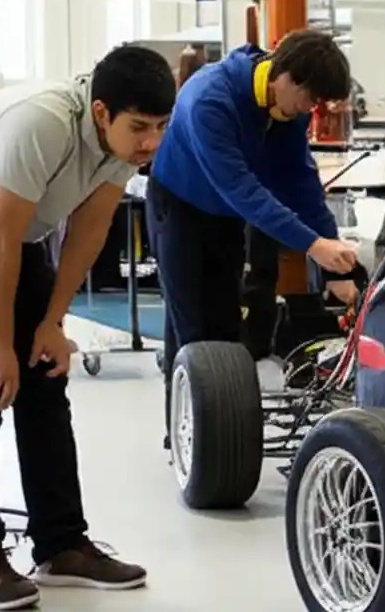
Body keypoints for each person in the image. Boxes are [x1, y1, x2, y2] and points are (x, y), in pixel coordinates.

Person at [0, 44, 175, 609]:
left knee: (45, 379)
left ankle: (60, 545)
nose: (150, 141)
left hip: (17, 233)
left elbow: (91, 227)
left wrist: (52, 322)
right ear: (101, 112)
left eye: (160, 126)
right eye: (140, 127)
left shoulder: (121, 144)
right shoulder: (43, 123)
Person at [147, 28, 359, 448]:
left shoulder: (286, 110)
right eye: (310, 98)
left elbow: (300, 183)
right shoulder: (210, 99)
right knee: (189, 324)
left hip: (224, 216)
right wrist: (313, 247)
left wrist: (332, 261)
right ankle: (190, 439)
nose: (310, 110)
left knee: (227, 324)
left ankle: (226, 434)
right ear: (287, 77)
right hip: (179, 208)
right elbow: (244, 191)